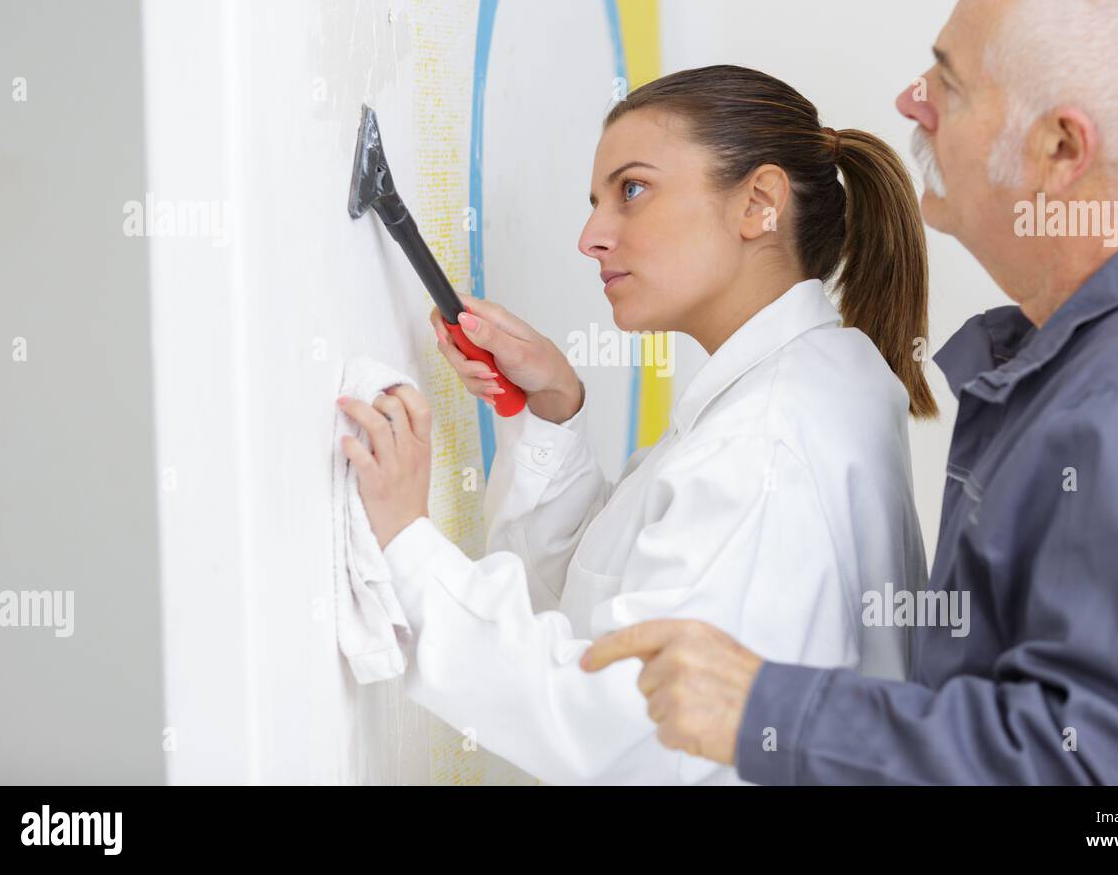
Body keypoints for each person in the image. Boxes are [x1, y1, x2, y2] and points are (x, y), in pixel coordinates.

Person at [582, 0, 1118, 785]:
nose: (911, 102)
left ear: (1061, 149)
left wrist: (767, 710)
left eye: (948, 81)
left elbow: (1106, 778)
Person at [338, 64, 936, 784]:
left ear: (759, 203)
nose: (591, 236)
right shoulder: (816, 384)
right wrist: (557, 410)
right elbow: (606, 604)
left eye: (633, 190)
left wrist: (405, 546)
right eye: (597, 200)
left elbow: (623, 728)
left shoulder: (763, 445)